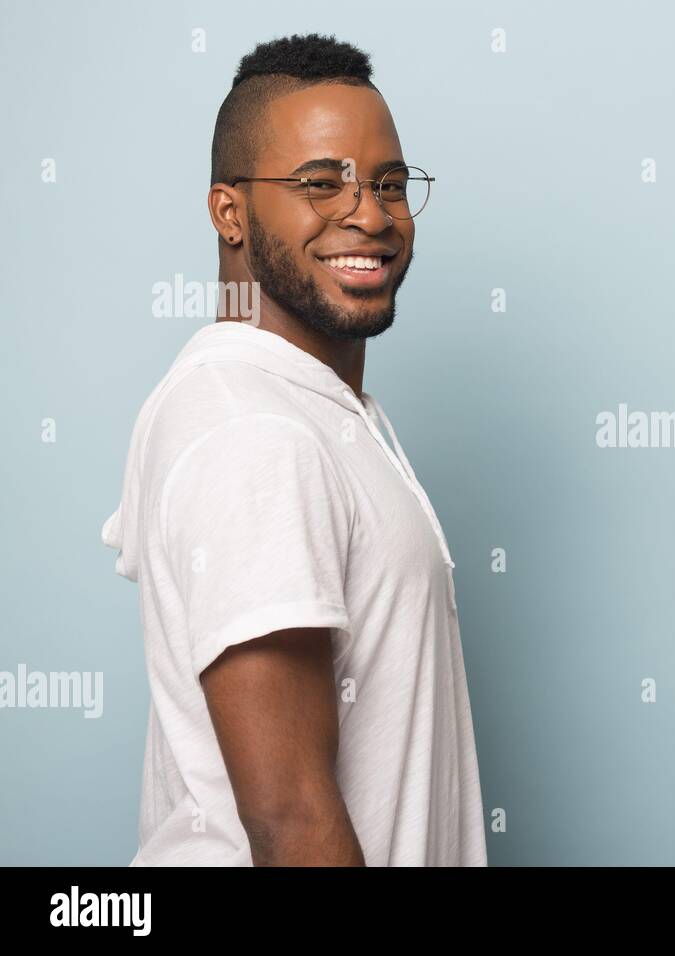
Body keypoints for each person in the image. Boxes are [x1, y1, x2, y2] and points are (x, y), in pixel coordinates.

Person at [101, 33, 487, 866]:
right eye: (321, 183)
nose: (372, 215)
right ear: (229, 212)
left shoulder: (303, 410)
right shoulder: (253, 429)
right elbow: (292, 820)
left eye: (390, 184)